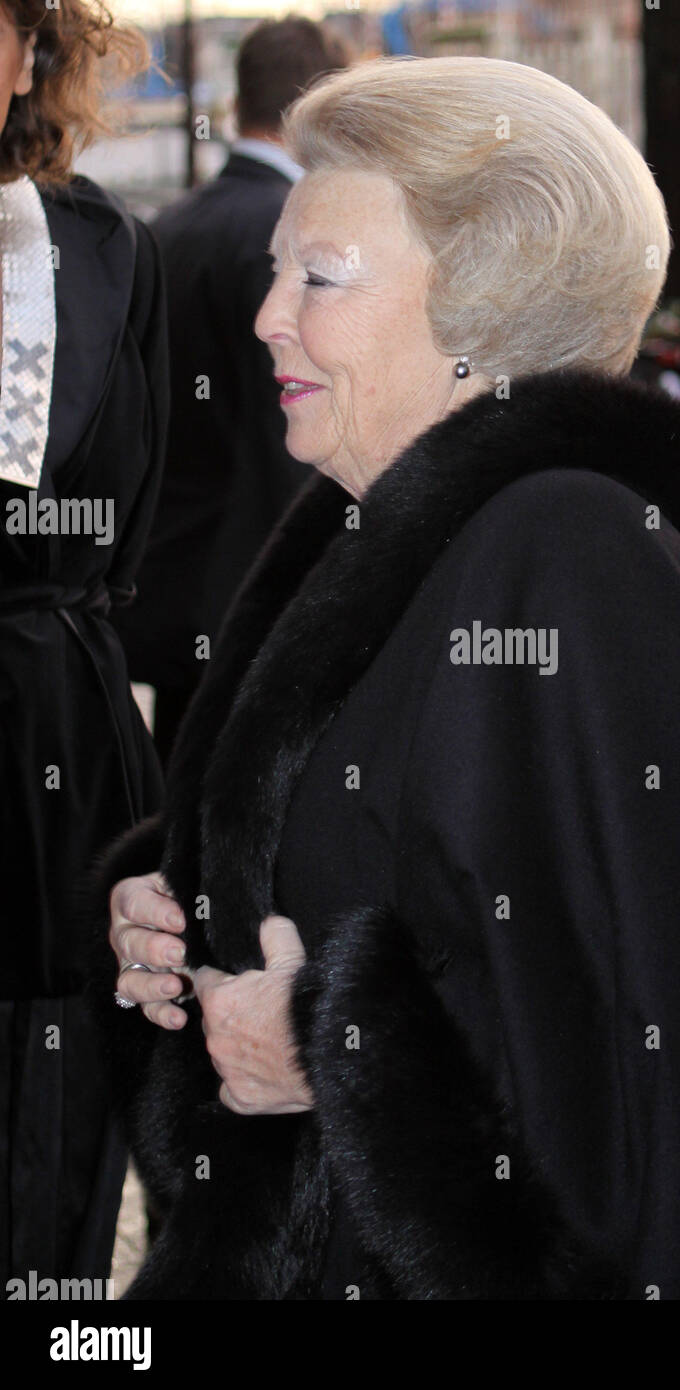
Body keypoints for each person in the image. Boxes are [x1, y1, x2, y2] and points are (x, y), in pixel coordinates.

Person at [87, 56, 680, 1299]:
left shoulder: (568, 554)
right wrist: (176, 924)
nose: (266, 314)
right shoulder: (372, 534)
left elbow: (655, 1088)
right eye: (282, 269)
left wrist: (327, 1047)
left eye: (320, 277)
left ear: (484, 305)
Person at [0, 0, 167, 1283]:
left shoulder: (106, 245)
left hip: (52, 707)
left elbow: (132, 507)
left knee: (58, 1072)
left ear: (30, 50)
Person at [114, 17, 346, 763]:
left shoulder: (172, 224)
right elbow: (287, 445)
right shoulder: (280, 236)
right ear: (313, 104)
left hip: (171, 582)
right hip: (246, 594)